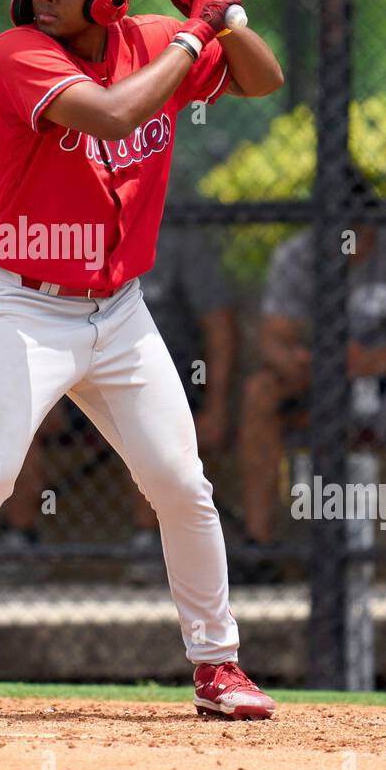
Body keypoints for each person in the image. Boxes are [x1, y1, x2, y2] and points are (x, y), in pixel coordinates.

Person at [0, 0, 284, 722]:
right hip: (20, 303)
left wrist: (225, 14)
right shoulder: (17, 54)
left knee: (180, 481)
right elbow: (115, 115)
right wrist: (196, 38)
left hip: (119, 310)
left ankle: (218, 665)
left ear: (110, 1)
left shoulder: (155, 42)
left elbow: (264, 78)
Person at [239, 170, 386, 585]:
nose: (349, 242)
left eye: (357, 230)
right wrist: (303, 362)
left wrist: (381, 359)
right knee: (259, 391)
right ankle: (259, 547)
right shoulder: (297, 255)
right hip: (321, 383)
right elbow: (272, 339)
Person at [127, 224, 236, 557]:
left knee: (138, 391)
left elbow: (220, 325)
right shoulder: (73, 233)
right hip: (80, 370)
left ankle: (149, 540)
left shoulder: (179, 237)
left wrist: (216, 406)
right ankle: (21, 539)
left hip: (168, 375)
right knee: (23, 402)